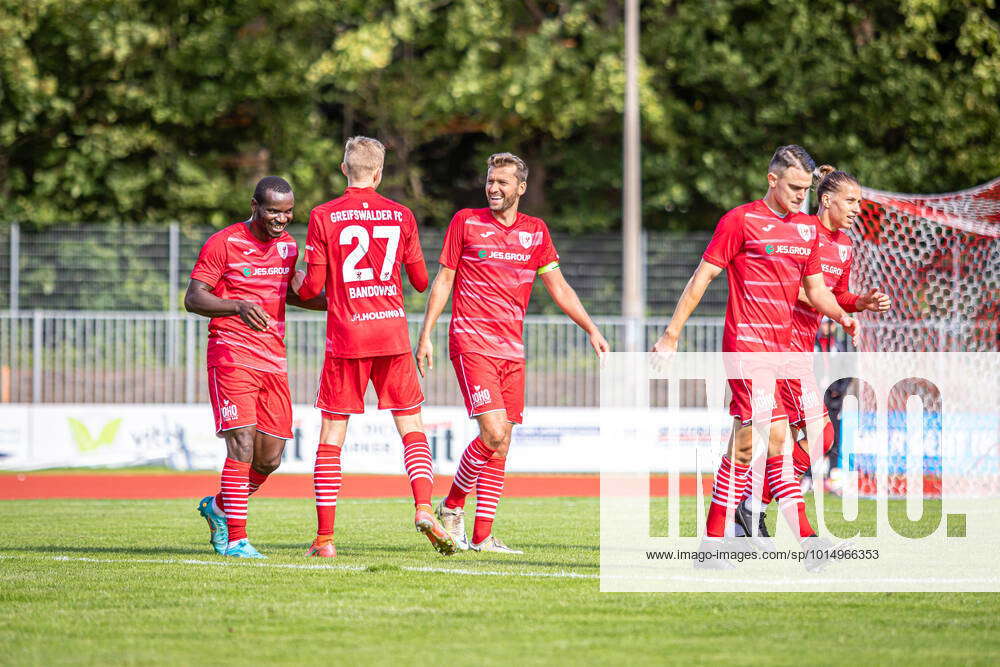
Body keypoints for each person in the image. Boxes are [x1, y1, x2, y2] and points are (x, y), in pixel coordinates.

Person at [651, 146, 858, 569]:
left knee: (744, 448)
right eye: (795, 187)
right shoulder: (741, 220)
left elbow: (817, 290)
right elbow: (702, 277)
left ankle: (711, 548)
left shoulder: (805, 231)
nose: (802, 195)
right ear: (772, 180)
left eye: (806, 188)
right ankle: (809, 547)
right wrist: (671, 335)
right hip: (747, 349)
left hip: (783, 354)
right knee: (776, 439)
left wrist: (843, 315)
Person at [416, 152, 610, 554]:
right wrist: (426, 334)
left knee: (503, 443)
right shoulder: (465, 222)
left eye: (502, 182)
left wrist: (590, 327)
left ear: (521, 188)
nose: (493, 188)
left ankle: (484, 537)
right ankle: (452, 507)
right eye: (490, 180)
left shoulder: (536, 231)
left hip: (512, 350)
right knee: (493, 431)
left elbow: (558, 287)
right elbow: (444, 279)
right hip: (471, 342)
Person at [294, 136, 456, 558]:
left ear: (344, 168)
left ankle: (325, 540)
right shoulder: (401, 215)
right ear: (379, 173)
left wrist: (295, 285)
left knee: (333, 434)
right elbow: (421, 282)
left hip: (347, 338)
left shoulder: (323, 215)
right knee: (412, 427)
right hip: (393, 336)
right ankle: (424, 508)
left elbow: (311, 286)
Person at [733, 169, 890, 538]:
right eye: (851, 201)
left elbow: (837, 295)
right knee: (804, 436)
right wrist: (835, 305)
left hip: (802, 354)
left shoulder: (845, 246)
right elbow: (790, 287)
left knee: (804, 438)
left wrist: (859, 303)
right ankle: (755, 514)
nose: (857, 209)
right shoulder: (801, 231)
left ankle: (747, 509)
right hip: (777, 347)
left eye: (859, 202)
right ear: (827, 200)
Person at [186, 176, 325, 559]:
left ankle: (217, 508)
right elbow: (194, 297)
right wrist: (236, 305)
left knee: (269, 458)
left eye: (287, 211)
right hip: (231, 354)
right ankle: (236, 539)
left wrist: (343, 303)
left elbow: (295, 293)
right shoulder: (224, 242)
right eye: (273, 211)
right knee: (242, 443)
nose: (281, 219)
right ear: (254, 205)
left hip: (273, 361)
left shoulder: (289, 246)